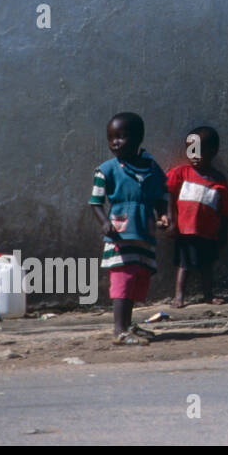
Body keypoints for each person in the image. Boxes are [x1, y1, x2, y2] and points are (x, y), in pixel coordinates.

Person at [88, 112, 170, 345]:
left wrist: (163, 215)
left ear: (138, 138)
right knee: (123, 280)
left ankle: (128, 324)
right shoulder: (106, 170)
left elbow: (161, 195)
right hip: (120, 236)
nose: (115, 142)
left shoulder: (152, 168)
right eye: (111, 138)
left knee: (137, 279)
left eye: (121, 137)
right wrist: (105, 222)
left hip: (144, 234)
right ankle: (119, 330)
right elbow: (95, 202)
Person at [166, 125, 228, 307]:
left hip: (208, 233)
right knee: (184, 265)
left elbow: (226, 209)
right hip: (185, 231)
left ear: (213, 151)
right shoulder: (182, 173)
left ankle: (208, 295)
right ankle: (179, 296)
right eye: (190, 150)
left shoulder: (218, 180)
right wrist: (170, 219)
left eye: (198, 150)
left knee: (207, 265)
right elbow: (168, 194)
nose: (193, 155)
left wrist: (224, 232)